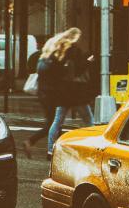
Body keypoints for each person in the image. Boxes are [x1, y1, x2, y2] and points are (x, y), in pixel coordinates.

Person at [35, 28, 94, 160]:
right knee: (89, 120)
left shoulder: (54, 52)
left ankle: (50, 150)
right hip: (76, 92)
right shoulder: (72, 51)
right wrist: (89, 61)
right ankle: (92, 149)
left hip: (62, 93)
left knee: (57, 121)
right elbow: (78, 70)